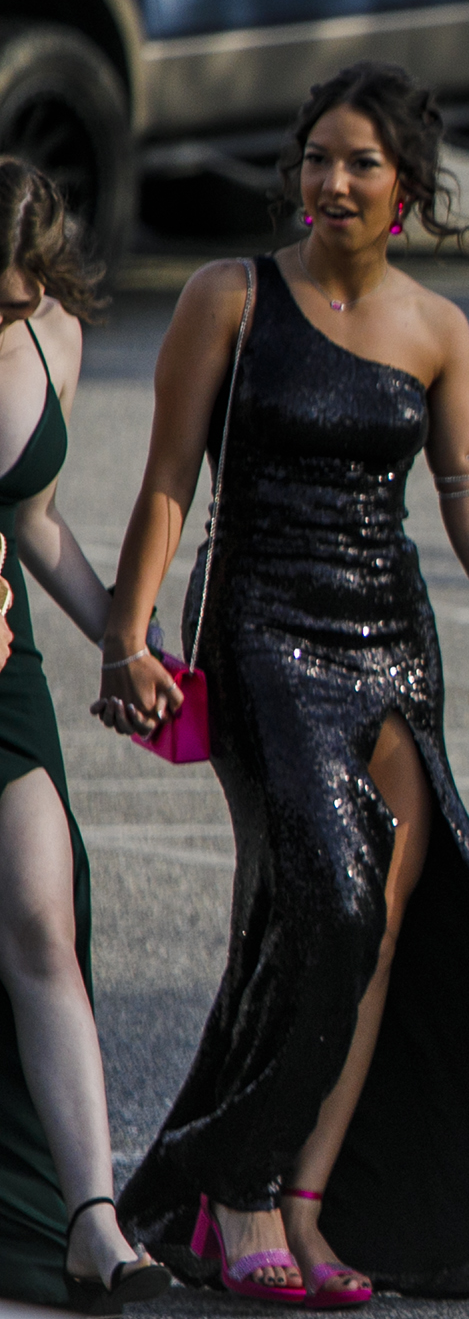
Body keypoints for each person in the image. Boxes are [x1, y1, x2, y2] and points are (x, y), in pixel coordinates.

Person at [97, 63, 469, 1304]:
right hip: (265, 630)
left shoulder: (437, 329)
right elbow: (169, 478)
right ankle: (230, 1183)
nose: (331, 182)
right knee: (332, 905)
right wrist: (129, 638)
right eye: (317, 158)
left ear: (407, 188)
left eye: (360, 164)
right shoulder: (229, 298)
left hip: (391, 638)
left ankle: (302, 1206)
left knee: (375, 930)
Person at [0, 158, 173, 1314]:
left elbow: (35, 521)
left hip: (5, 680)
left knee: (40, 919)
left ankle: (93, 1224)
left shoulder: (55, 339)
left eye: (12, 300)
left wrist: (124, 639)